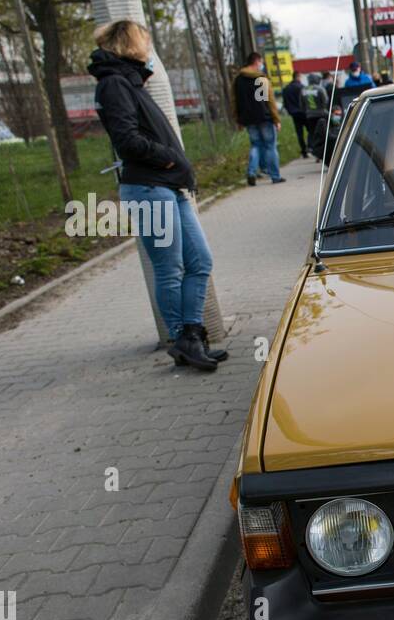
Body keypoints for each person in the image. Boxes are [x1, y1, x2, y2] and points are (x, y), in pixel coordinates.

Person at [88, 20, 225, 372]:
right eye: (144, 40)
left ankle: (192, 335)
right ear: (130, 43)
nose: (148, 47)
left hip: (167, 186)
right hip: (148, 187)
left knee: (200, 262)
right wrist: (167, 158)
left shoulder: (129, 82)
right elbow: (126, 139)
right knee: (169, 268)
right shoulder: (114, 84)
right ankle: (183, 339)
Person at [233, 51, 285, 187]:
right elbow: (269, 101)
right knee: (270, 146)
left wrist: (238, 119)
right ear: (256, 62)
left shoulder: (238, 80)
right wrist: (276, 119)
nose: (261, 65)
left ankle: (251, 172)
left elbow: (235, 101)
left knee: (255, 145)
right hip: (264, 118)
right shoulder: (260, 79)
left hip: (248, 119)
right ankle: (275, 176)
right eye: (261, 62)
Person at [281, 71, 310, 158]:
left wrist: (290, 111)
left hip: (294, 113)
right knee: (310, 130)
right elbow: (306, 100)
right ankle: (310, 146)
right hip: (304, 113)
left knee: (299, 133)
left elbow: (285, 102)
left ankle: (304, 151)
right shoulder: (302, 87)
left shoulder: (286, 89)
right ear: (298, 77)